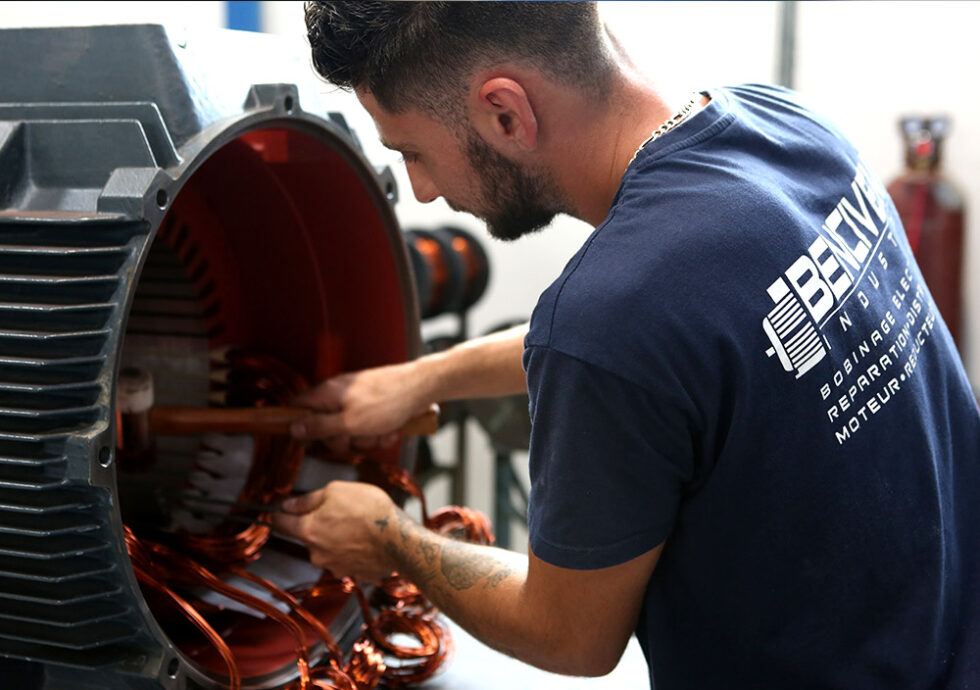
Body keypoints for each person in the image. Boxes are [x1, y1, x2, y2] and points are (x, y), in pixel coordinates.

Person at [272, 2, 980, 687]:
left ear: (505, 113)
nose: (422, 192)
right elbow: (682, 342)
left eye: (414, 153)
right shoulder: (783, 123)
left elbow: (569, 635)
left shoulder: (611, 317)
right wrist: (422, 380)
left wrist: (391, 538)